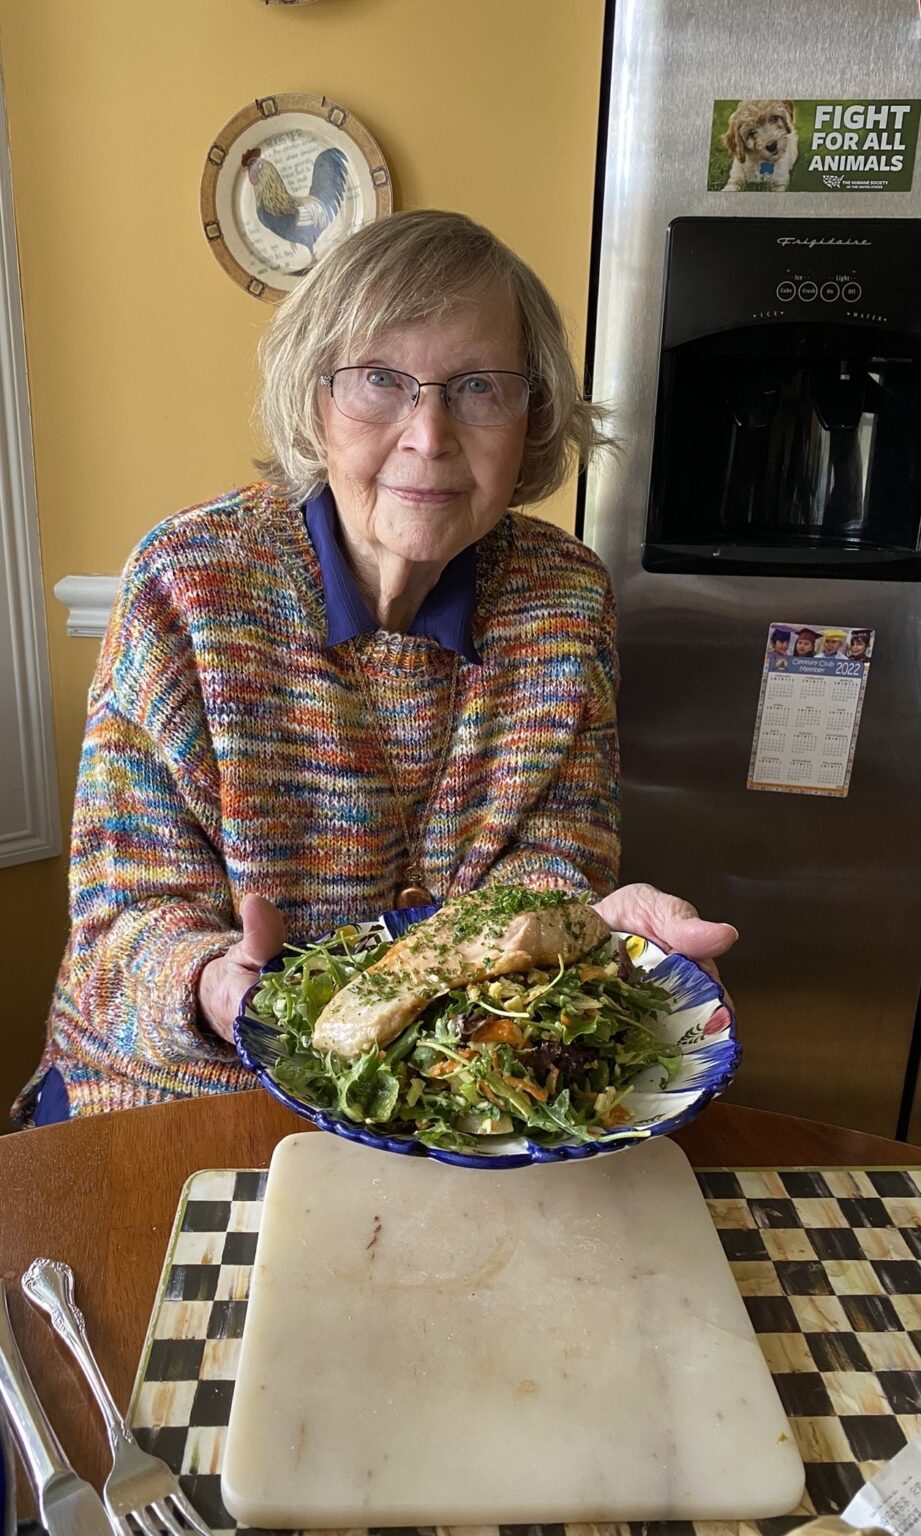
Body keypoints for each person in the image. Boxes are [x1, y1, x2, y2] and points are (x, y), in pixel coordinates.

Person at [14, 209, 737, 1126]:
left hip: (446, 1100)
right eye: (380, 381)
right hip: (179, 1093)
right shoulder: (189, 584)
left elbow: (554, 862)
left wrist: (593, 932)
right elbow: (124, 923)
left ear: (532, 414)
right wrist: (212, 983)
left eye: (477, 386)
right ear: (314, 399)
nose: (429, 436)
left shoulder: (565, 599)